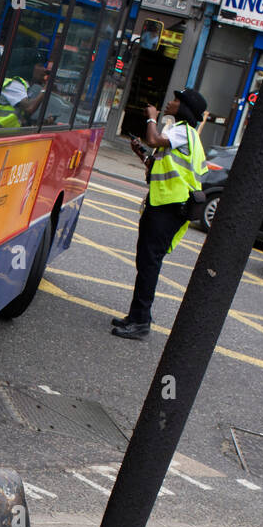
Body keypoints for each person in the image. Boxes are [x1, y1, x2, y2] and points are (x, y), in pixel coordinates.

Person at [111, 87, 207, 340]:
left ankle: (141, 321)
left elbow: (153, 139)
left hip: (169, 207)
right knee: (146, 262)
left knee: (149, 263)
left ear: (186, 107)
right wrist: (140, 153)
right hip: (164, 205)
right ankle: (137, 316)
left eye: (176, 100)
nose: (171, 103)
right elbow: (156, 165)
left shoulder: (183, 132)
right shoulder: (182, 135)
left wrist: (151, 118)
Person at [0, 49, 51, 130]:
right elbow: (29, 108)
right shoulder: (13, 84)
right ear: (29, 68)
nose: (44, 70)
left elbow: (22, 117)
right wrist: (46, 88)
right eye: (40, 66)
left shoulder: (22, 88)